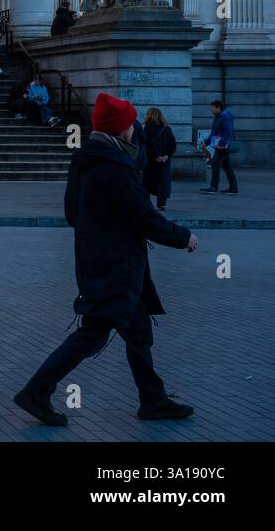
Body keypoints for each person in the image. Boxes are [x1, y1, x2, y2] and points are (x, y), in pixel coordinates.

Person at [13, 92, 199, 427]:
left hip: (99, 259)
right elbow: (143, 216)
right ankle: (37, 390)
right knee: (94, 334)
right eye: (131, 123)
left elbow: (72, 213)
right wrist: (182, 237)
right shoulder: (115, 169)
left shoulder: (86, 161)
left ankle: (152, 398)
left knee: (138, 330)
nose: (135, 128)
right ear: (121, 129)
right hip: (117, 265)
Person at [141, 107, 176, 211]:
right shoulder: (167, 128)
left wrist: (156, 157)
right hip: (164, 161)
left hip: (151, 160)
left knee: (147, 182)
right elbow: (172, 145)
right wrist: (166, 156)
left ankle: (146, 202)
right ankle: (162, 204)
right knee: (162, 181)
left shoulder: (147, 129)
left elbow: (148, 145)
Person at [200, 99, 238, 195]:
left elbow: (227, 132)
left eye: (212, 108)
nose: (211, 110)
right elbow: (214, 132)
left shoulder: (225, 117)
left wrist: (221, 144)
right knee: (227, 166)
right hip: (220, 145)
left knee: (215, 163)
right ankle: (233, 188)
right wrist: (206, 142)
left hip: (222, 146)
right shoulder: (219, 116)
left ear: (218, 107)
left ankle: (214, 187)